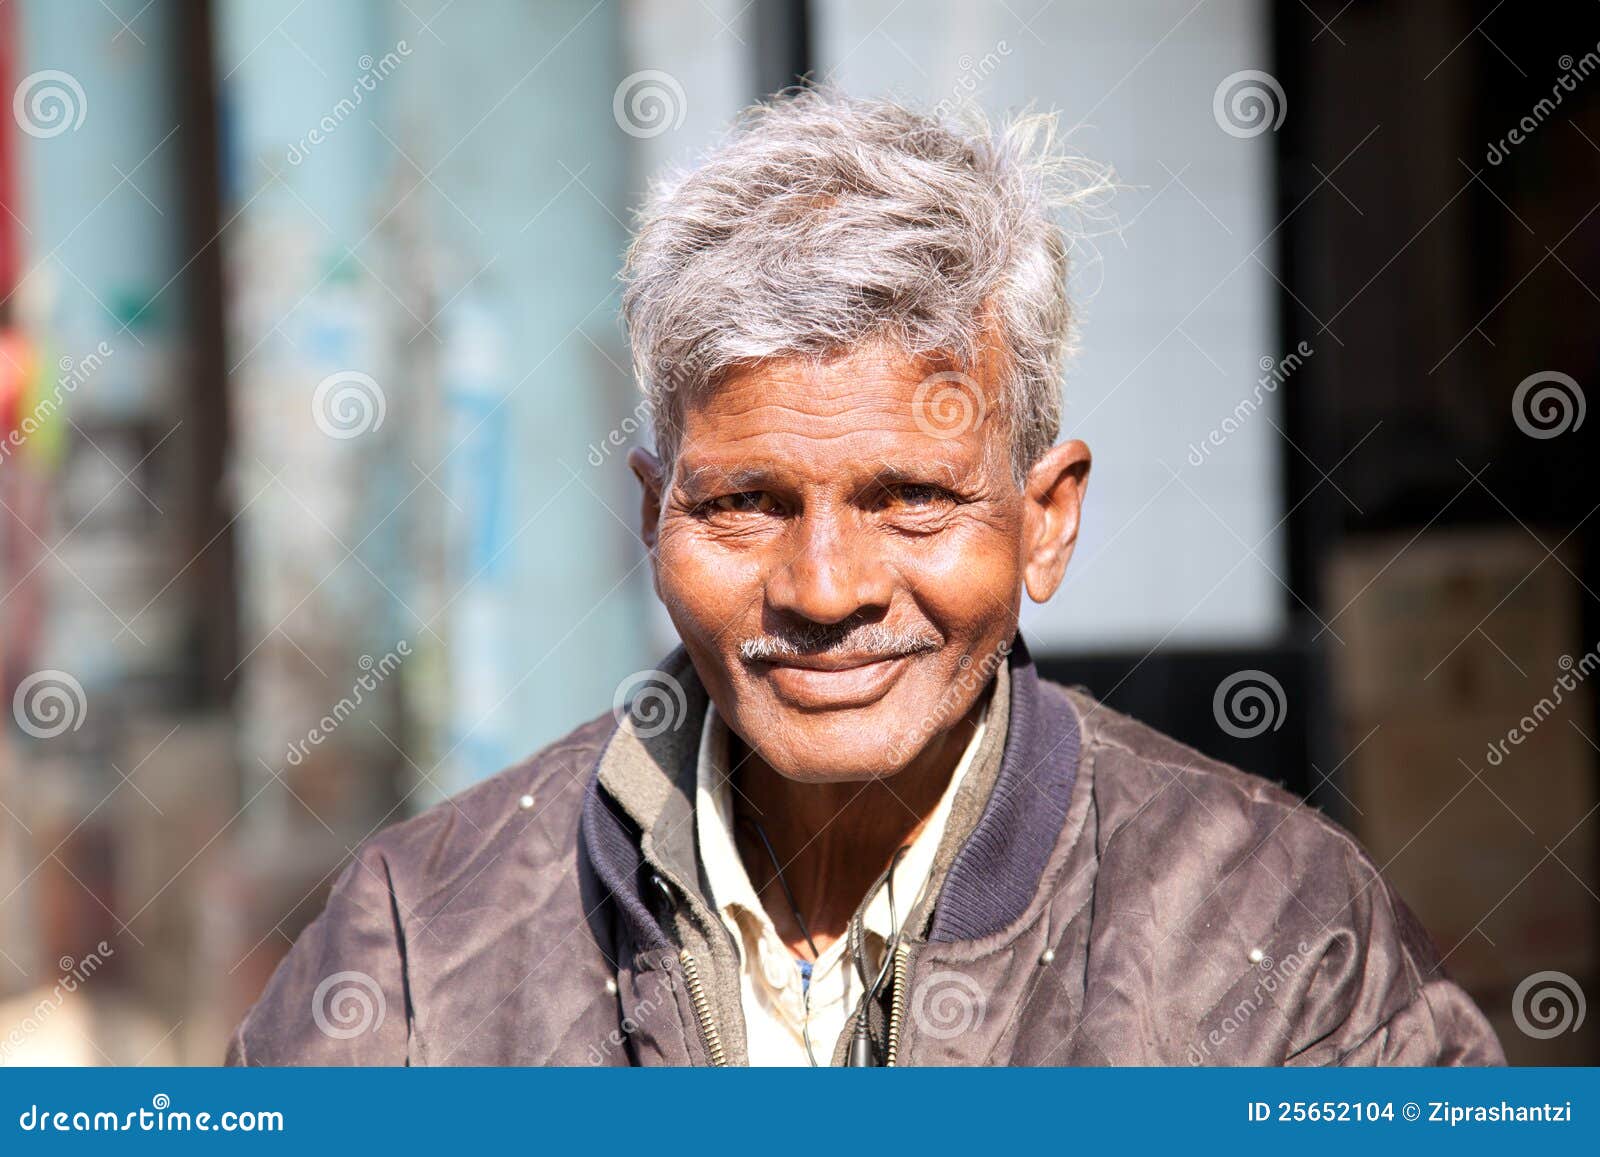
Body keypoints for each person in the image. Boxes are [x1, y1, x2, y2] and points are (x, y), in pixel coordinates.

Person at [227, 90, 1503, 1067]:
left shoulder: (1272, 930)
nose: (825, 586)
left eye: (911, 500)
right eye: (744, 503)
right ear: (651, 518)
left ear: (1045, 521)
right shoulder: (418, 940)